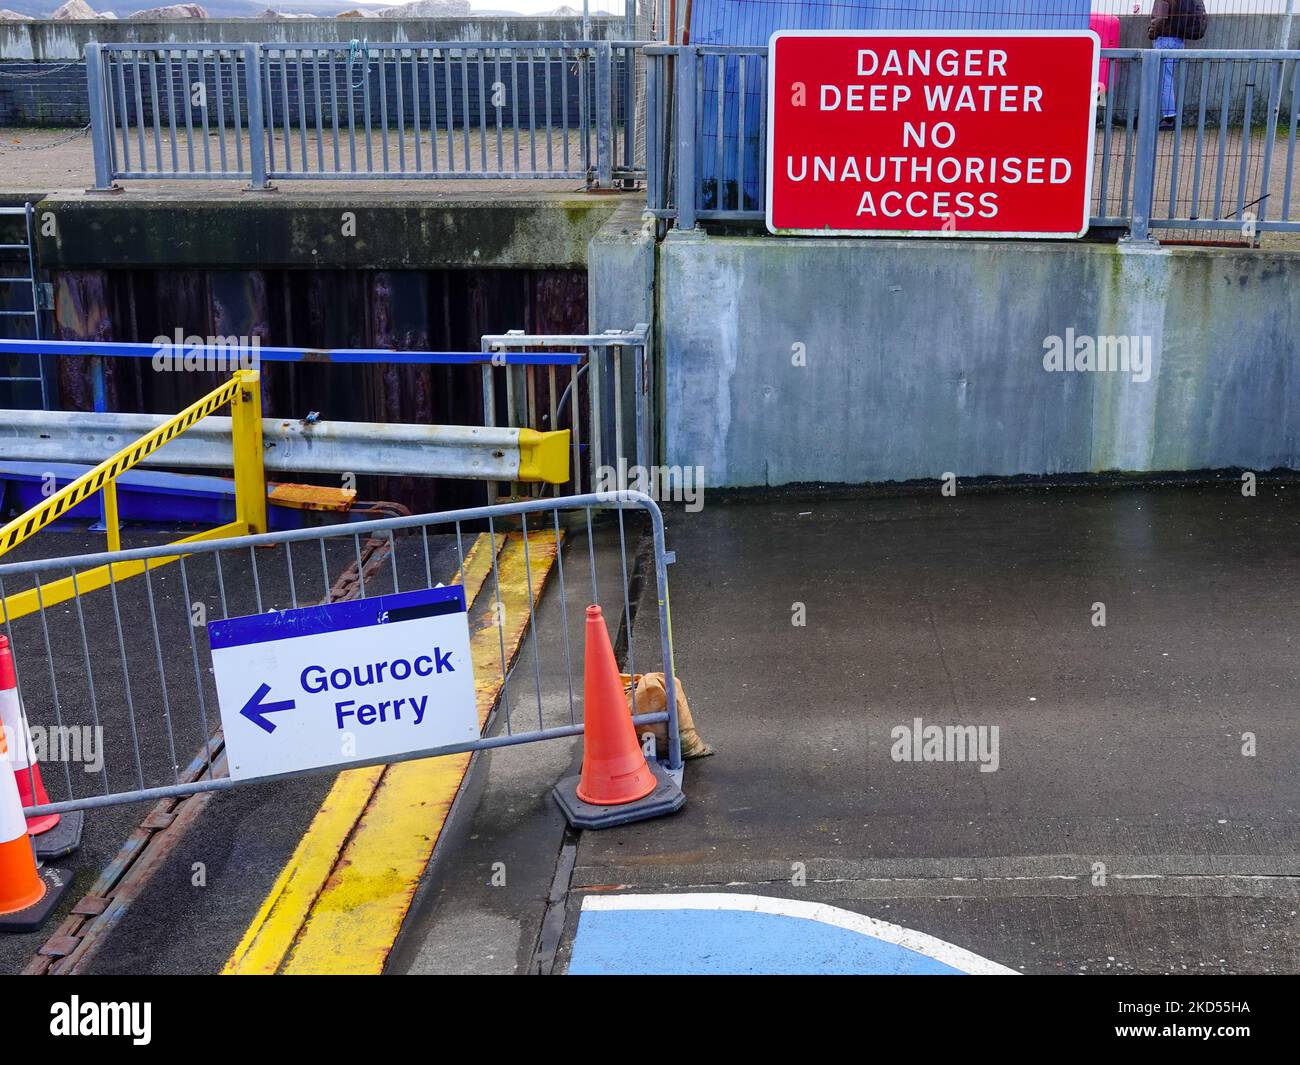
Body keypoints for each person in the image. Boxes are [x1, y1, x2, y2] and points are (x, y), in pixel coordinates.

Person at [1149, 1, 1209, 130]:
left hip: (1165, 40)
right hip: (1179, 40)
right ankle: (1163, 115)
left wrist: (1151, 32)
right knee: (1167, 78)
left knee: (1164, 79)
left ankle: (1168, 117)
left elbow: (1160, 18)